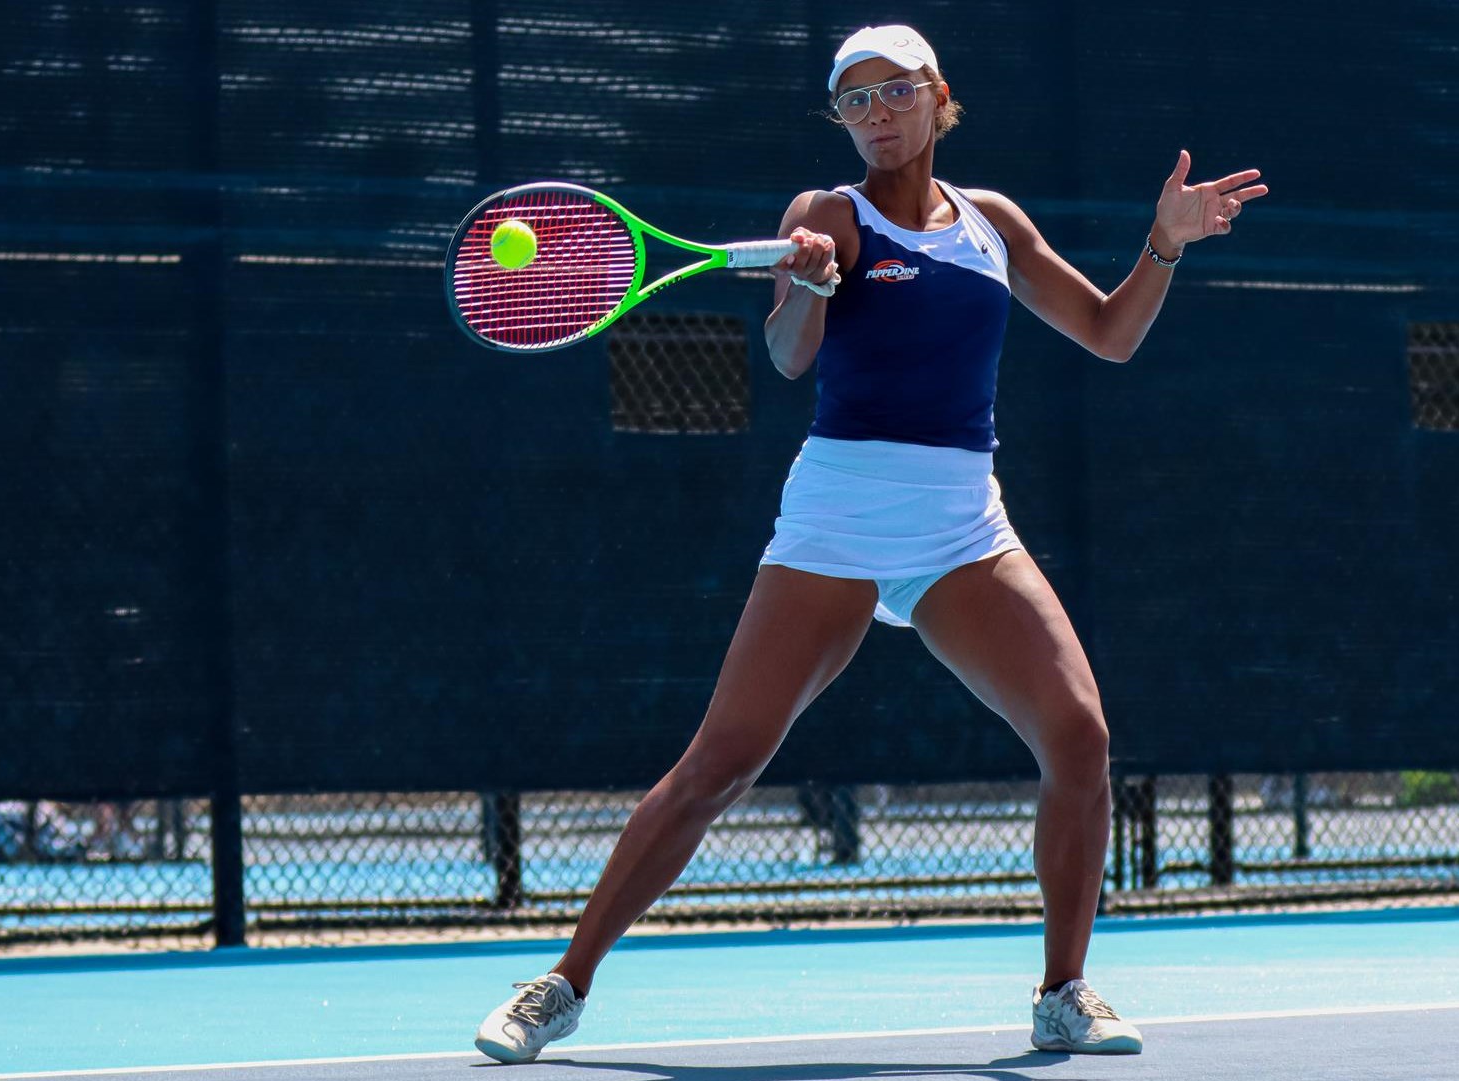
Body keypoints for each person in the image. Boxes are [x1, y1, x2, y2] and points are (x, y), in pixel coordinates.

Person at [475, 23, 1266, 1063]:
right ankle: (562, 985)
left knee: (1078, 737)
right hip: (836, 521)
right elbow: (788, 358)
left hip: (960, 527)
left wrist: (1163, 241)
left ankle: (1062, 989)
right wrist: (805, 284)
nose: (875, 115)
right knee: (718, 763)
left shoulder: (992, 223)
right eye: (853, 101)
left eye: (893, 92)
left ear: (938, 96)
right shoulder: (824, 215)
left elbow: (1110, 333)